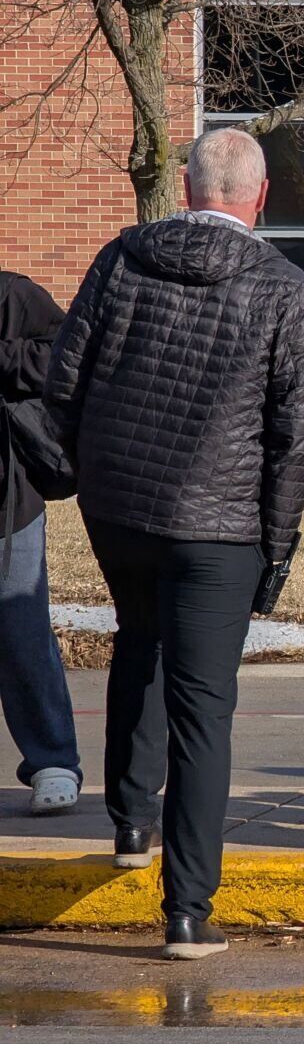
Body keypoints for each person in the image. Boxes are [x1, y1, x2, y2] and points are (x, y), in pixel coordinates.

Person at [46, 127, 304, 959]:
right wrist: (276, 547)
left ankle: (131, 817)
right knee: (204, 705)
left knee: (138, 640)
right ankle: (188, 910)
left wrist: (83, 468)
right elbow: (293, 433)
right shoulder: (285, 287)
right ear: (261, 196)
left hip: (121, 506)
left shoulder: (121, 258)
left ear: (187, 188)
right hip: (222, 523)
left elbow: (69, 376)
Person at [0, 269, 81, 815]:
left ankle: (52, 760)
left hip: (9, 505)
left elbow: (64, 358)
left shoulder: (13, 295)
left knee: (21, 632)